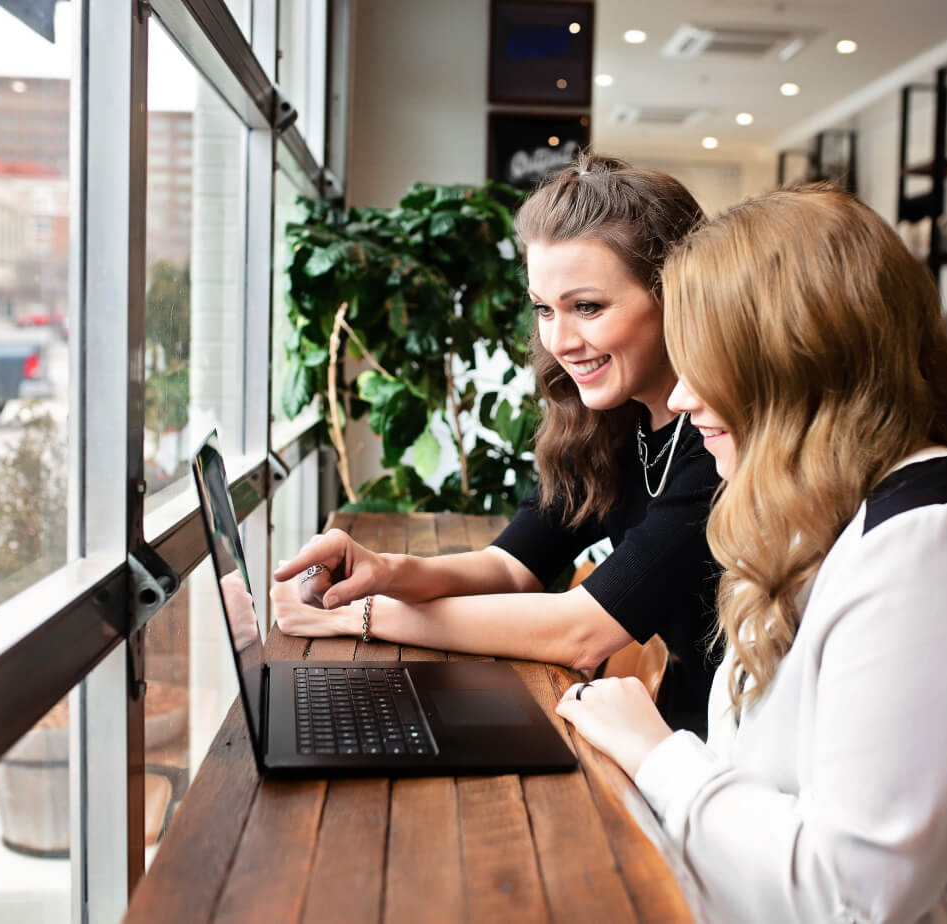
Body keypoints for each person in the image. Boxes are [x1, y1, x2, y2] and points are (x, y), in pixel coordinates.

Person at [557, 187, 947, 922]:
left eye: (706, 363)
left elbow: (847, 900)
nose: (681, 397)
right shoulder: (819, 518)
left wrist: (655, 753)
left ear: (793, 362)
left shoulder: (946, 542)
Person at [271, 154, 722, 732]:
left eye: (587, 307)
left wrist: (360, 616)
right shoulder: (608, 422)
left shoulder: (717, 442)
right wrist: (384, 570)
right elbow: (512, 567)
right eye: (544, 309)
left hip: (715, 757)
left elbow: (579, 633)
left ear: (674, 297)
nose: (560, 340)